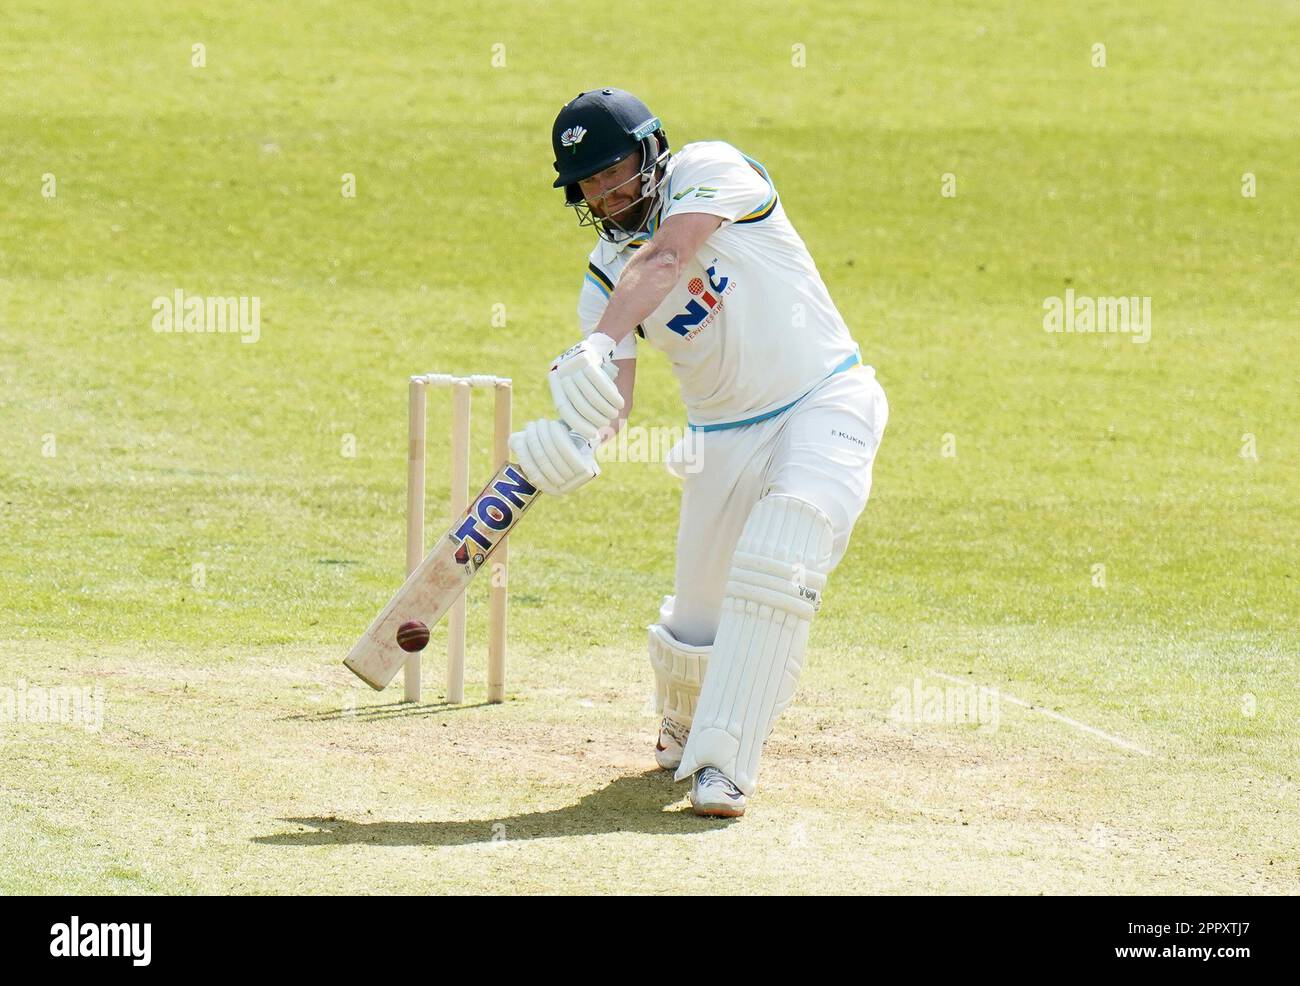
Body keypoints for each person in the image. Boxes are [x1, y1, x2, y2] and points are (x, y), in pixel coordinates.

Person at [509, 87, 888, 817]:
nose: (603, 191)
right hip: (720, 440)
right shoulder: (602, 276)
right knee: (697, 621)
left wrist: (595, 342)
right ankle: (686, 722)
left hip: (825, 398)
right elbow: (612, 403)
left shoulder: (712, 170)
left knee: (783, 552)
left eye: (612, 169)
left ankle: (726, 763)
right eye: (586, 182)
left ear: (651, 152)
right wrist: (570, 437)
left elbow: (666, 258)